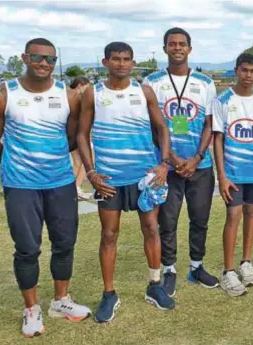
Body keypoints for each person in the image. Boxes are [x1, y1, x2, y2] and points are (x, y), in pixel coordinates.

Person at [0, 38, 91, 337]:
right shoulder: (2, 95)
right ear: (25, 58)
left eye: (50, 59)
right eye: (38, 57)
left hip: (60, 182)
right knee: (27, 248)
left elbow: (71, 139)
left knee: (65, 243)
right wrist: (16, 164)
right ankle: (31, 309)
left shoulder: (67, 96)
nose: (44, 63)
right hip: (21, 185)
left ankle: (61, 300)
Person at [77, 42, 175, 323]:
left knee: (152, 229)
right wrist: (91, 172)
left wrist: (164, 163)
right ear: (105, 62)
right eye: (116, 59)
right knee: (109, 235)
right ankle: (109, 294)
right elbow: (82, 135)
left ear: (133, 63)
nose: (121, 64)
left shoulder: (143, 91)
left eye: (127, 59)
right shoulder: (93, 94)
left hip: (145, 177)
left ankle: (155, 286)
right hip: (109, 179)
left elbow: (162, 127)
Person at [144, 27, 219, 296]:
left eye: (182, 43)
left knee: (200, 219)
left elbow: (211, 124)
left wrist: (197, 157)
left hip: (200, 164)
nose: (177, 47)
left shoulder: (205, 83)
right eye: (172, 43)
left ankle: (197, 266)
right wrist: (173, 159)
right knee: (168, 220)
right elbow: (151, 127)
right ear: (165, 48)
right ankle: (169, 269)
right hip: (166, 166)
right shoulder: (150, 82)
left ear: (190, 48)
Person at [212, 53, 253, 296]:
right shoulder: (223, 100)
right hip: (233, 172)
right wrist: (221, 175)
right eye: (244, 70)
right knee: (233, 216)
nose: (248, 75)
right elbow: (218, 139)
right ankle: (228, 270)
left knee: (251, 212)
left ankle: (246, 262)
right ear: (236, 71)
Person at [69, 76, 93, 200]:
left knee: (82, 162)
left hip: (76, 134)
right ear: (80, 86)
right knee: (80, 161)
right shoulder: (74, 97)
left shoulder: (70, 96)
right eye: (86, 88)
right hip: (76, 135)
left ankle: (75, 187)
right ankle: (73, 188)